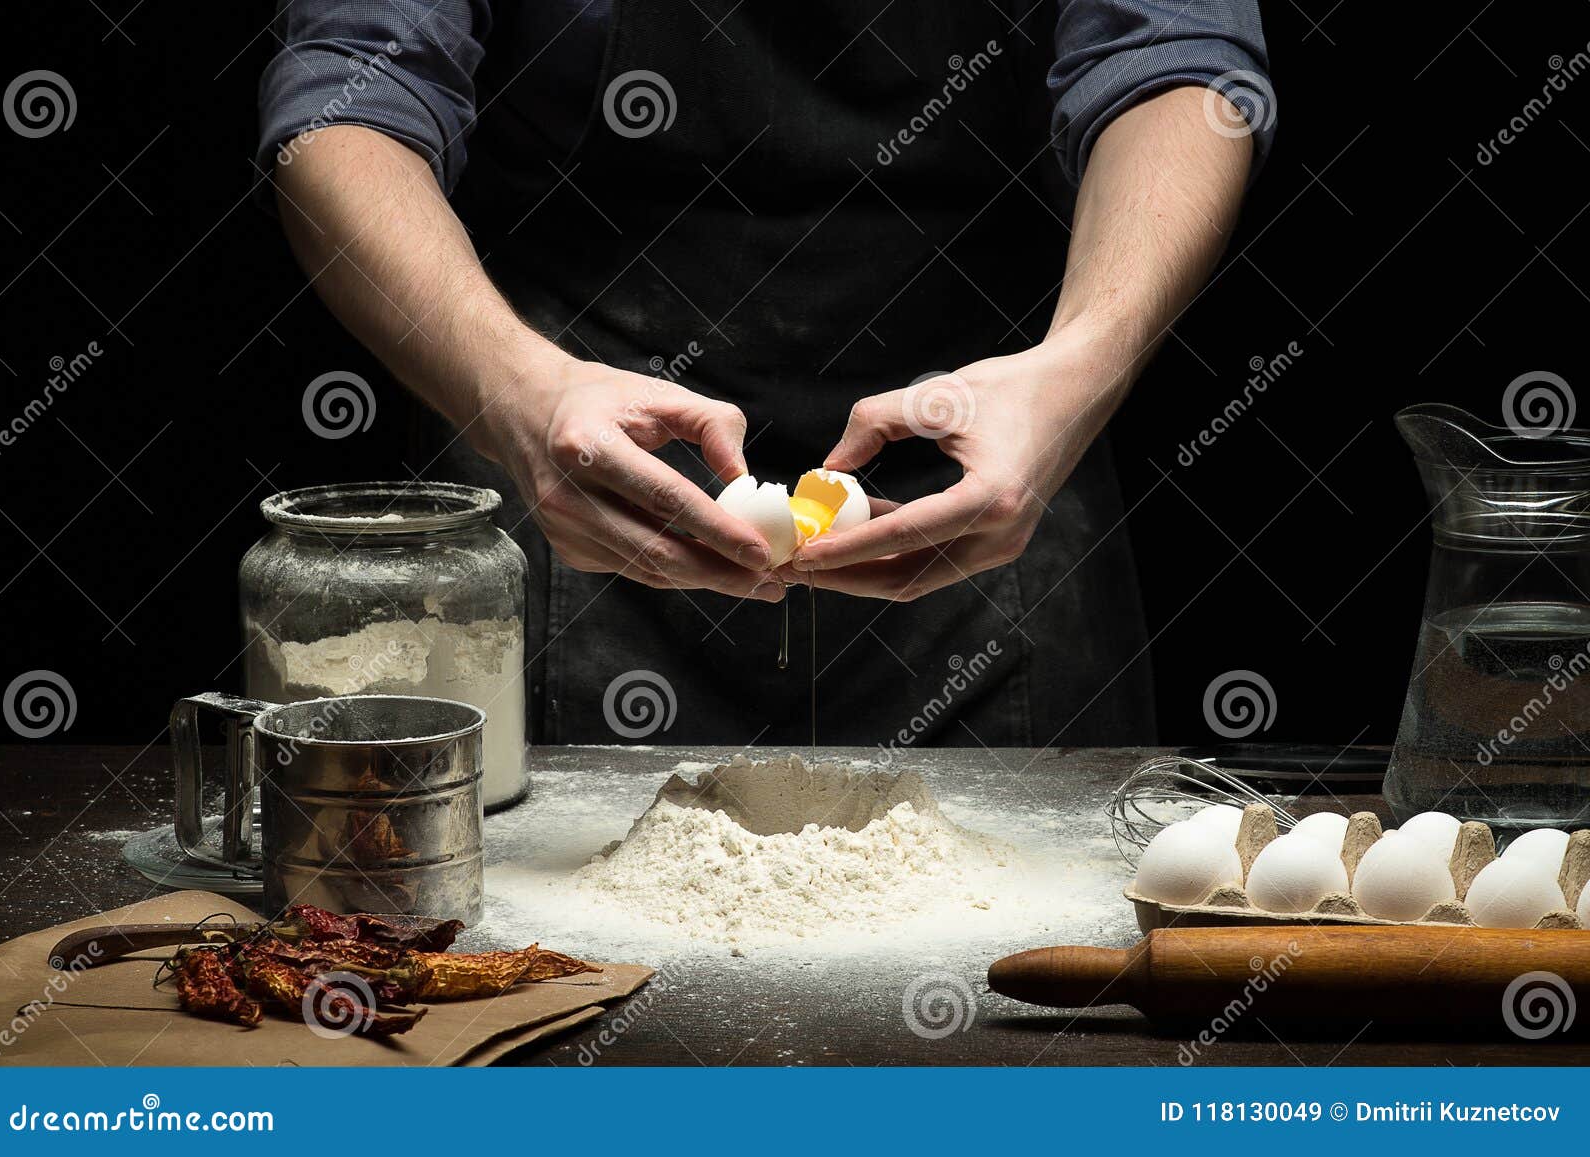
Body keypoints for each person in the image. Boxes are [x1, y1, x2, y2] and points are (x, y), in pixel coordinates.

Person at [258, 2, 1272, 749]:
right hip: (579, 463)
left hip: (990, 461)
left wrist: (1080, 362)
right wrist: (513, 390)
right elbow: (349, 95)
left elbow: (1176, 67)